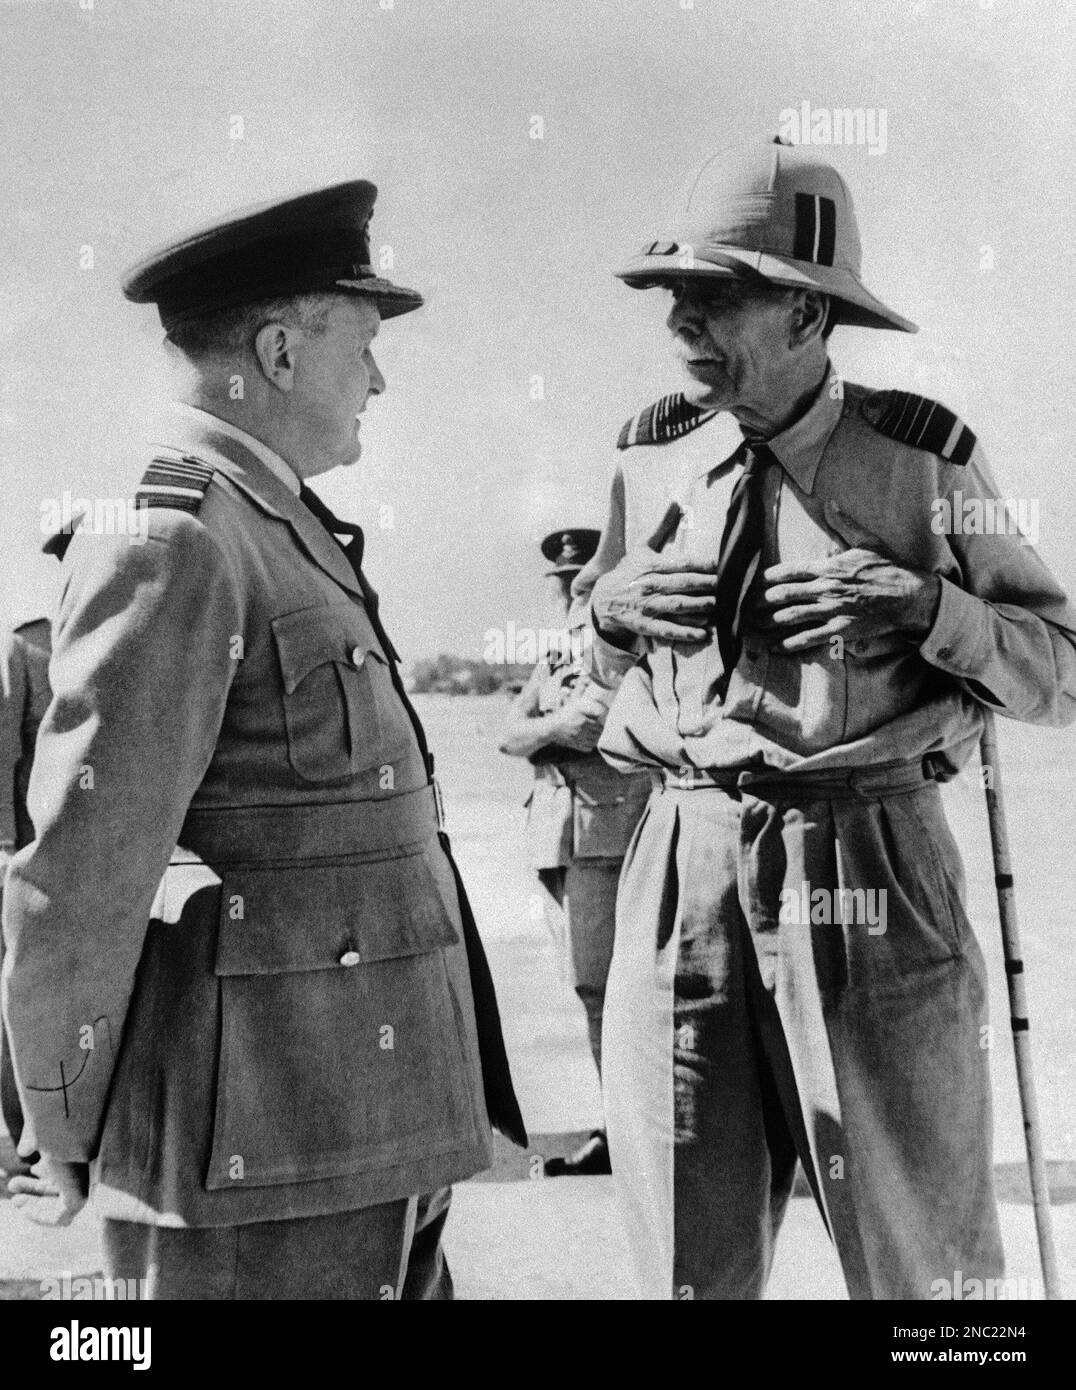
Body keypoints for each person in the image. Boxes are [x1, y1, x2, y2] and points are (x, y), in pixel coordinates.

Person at [2, 179, 524, 1300]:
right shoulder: (175, 535)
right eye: (366, 346)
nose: (379, 380)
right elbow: (81, 878)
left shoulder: (269, 519)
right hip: (259, 1147)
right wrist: (62, 1116)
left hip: (359, 1130)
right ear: (280, 352)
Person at [578, 137, 1076, 1299]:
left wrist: (926, 607)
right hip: (681, 866)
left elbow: (1059, 671)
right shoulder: (648, 461)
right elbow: (583, 685)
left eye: (718, 297)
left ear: (808, 314)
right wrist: (603, 615)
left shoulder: (920, 460)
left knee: (921, 1263)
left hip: (867, 865)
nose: (680, 327)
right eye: (672, 300)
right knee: (679, 1266)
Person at [500, 530, 650, 1176]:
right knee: (590, 989)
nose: (569, 591)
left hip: (611, 836)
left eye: (580, 581)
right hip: (558, 839)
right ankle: (624, 1128)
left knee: (617, 989)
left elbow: (611, 734)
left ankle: (635, 1132)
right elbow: (512, 736)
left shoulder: (629, 649)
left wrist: (562, 734)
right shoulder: (559, 655)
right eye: (562, 583)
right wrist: (554, 731)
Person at [0, 522, 79, 1176]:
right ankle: (27, 1140)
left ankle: (64, 1139)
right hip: (24, 864)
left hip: (86, 866)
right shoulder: (22, 649)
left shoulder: (97, 638)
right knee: (20, 1001)